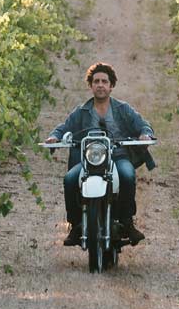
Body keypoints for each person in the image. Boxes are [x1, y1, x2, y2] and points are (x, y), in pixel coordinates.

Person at [46, 61, 155, 247]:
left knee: (128, 175)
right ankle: (76, 226)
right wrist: (54, 137)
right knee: (70, 180)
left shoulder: (123, 109)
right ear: (90, 86)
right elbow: (64, 127)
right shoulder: (82, 111)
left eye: (104, 81)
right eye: (96, 81)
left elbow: (143, 125)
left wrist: (145, 134)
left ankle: (127, 223)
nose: (100, 85)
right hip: (89, 160)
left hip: (118, 156)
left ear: (111, 86)